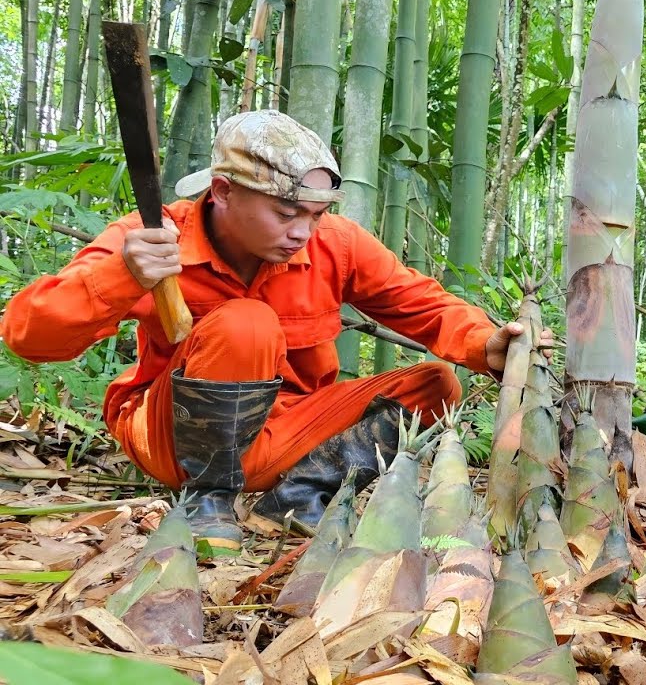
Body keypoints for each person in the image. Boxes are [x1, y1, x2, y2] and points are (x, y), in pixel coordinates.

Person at [0, 110, 552, 551]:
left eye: (315, 214)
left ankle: (297, 495)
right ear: (222, 191)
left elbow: (421, 303)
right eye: (286, 213)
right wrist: (122, 275)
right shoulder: (155, 237)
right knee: (246, 322)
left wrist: (485, 343)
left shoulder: (334, 243)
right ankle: (208, 499)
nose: (302, 232)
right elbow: (28, 335)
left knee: (436, 385)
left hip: (285, 435)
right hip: (175, 439)